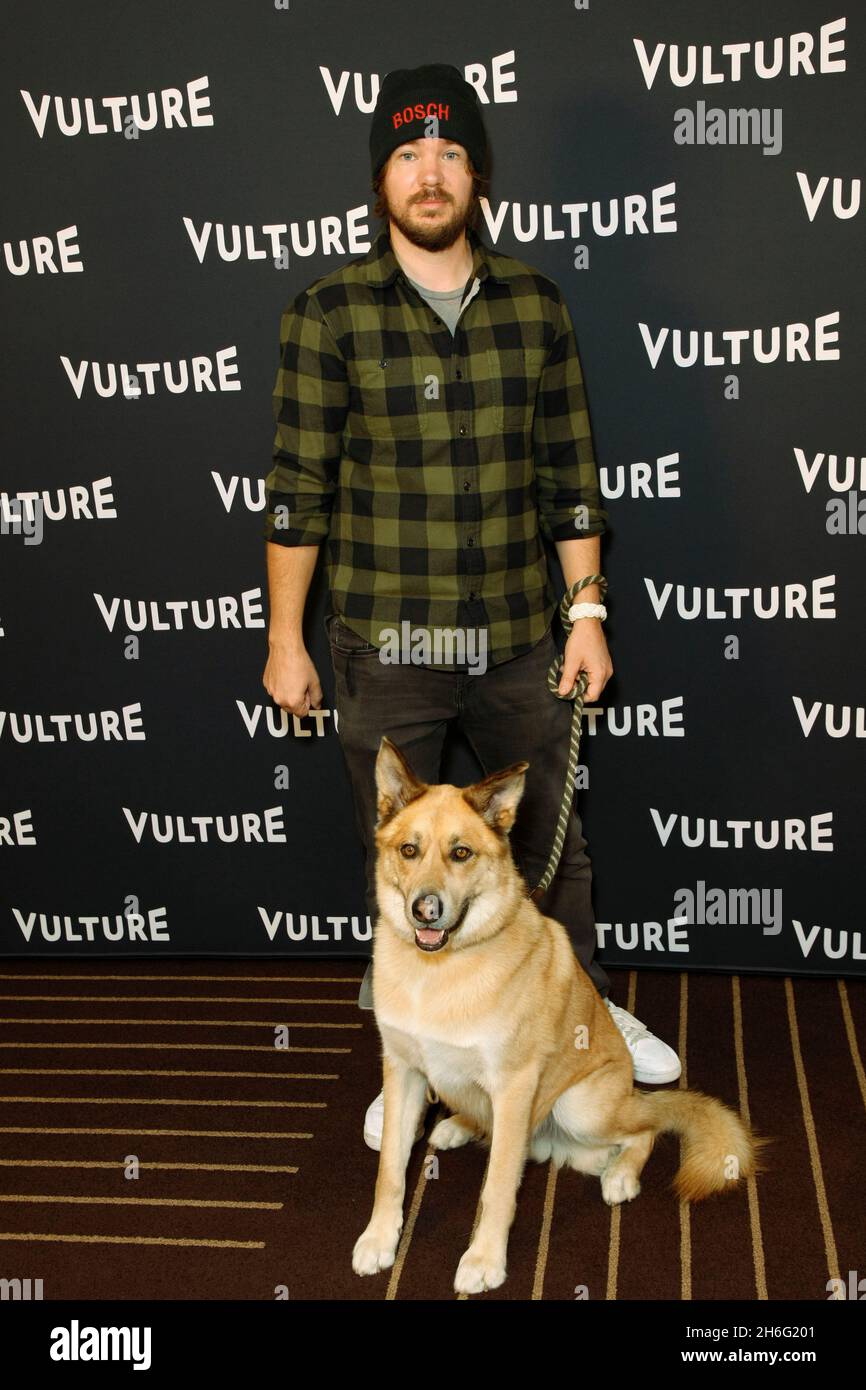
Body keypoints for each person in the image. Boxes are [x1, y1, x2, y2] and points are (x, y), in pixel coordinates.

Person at [262, 63, 681, 1151]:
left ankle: (582, 1022)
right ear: (380, 180)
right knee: (406, 862)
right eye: (407, 154)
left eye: (448, 151)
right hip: (384, 644)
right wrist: (283, 640)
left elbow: (569, 477)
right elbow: (297, 494)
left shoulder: (534, 306)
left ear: (476, 172)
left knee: (550, 845)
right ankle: (412, 1054)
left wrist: (584, 611)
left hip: (513, 638)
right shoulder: (327, 312)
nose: (429, 173)